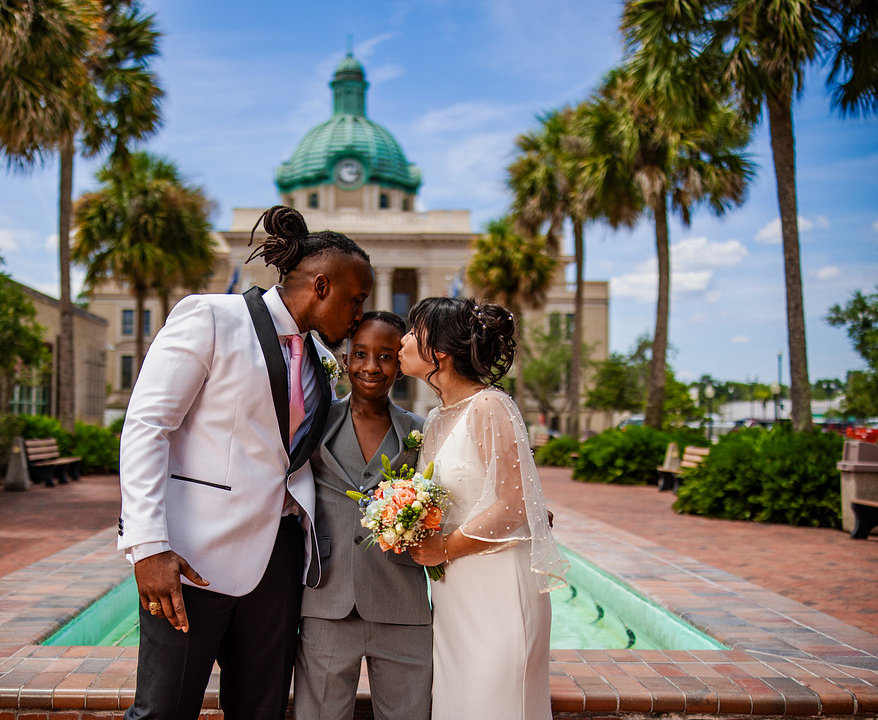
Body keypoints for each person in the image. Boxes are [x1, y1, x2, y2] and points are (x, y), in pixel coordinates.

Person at [117, 205, 374, 720]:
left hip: (278, 564)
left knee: (260, 711)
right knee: (163, 711)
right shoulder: (211, 317)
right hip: (192, 562)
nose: (361, 315)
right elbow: (148, 426)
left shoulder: (320, 359)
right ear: (321, 286)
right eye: (356, 298)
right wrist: (148, 546)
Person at [400, 296, 567, 720]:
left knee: (493, 704)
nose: (400, 341)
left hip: (496, 587)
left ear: (438, 352)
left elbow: (514, 507)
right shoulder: (437, 418)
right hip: (454, 592)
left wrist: (443, 549)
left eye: (411, 333)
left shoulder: (490, 406)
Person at [294, 311, 431, 720]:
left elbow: (457, 492)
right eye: (360, 354)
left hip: (401, 602)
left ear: (400, 365)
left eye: (386, 356)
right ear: (346, 358)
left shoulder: (420, 433)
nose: (371, 367)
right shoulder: (314, 423)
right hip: (326, 601)